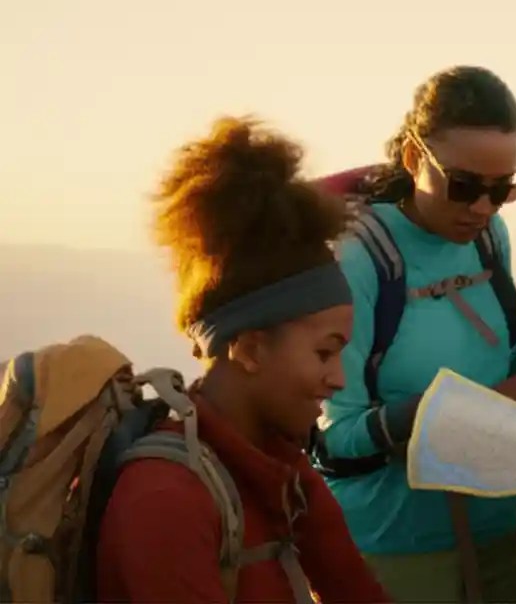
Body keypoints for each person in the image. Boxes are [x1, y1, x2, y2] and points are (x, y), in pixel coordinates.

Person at [95, 116, 391, 603]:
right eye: (324, 352)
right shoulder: (165, 499)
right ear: (250, 349)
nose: (339, 379)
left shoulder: (284, 474)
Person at [314, 66, 516, 603]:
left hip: (495, 529)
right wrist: (466, 410)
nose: (482, 208)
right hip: (393, 548)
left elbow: (503, 357)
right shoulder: (361, 257)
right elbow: (337, 439)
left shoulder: (489, 237)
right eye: (464, 186)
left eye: (503, 190)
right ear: (412, 158)